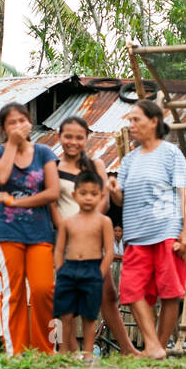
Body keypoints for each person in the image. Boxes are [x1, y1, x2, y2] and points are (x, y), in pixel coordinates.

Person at [107, 99, 186, 359]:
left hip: (167, 230)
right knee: (131, 290)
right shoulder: (130, 159)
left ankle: (159, 347)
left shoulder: (171, 153)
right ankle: (153, 344)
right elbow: (121, 200)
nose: (131, 125)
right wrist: (114, 193)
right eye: (130, 120)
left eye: (136, 120)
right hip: (135, 235)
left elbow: (185, 193)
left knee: (169, 291)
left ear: (154, 122)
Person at [52, 115, 135, 356]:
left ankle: (127, 348)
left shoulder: (96, 165)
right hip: (65, 240)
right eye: (68, 136)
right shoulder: (54, 168)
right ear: (60, 137)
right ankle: (69, 350)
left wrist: (88, 225)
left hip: (92, 240)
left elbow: (105, 199)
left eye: (79, 137)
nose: (73, 142)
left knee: (107, 293)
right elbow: (53, 206)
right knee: (67, 299)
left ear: (87, 138)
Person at [0, 102, 60, 355]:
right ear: (3, 128)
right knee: (13, 292)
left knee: (43, 290)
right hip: (7, 233)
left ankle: (45, 350)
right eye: (11, 122)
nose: (18, 126)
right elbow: (0, 178)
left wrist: (18, 201)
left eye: (22, 120)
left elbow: (52, 192)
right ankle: (15, 353)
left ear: (29, 122)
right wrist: (12, 146)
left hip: (40, 233)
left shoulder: (45, 153)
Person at [53, 169, 114, 361]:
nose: (88, 198)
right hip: (69, 269)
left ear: (101, 196)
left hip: (92, 269)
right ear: (74, 195)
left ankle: (87, 354)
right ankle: (63, 351)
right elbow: (59, 249)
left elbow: (109, 252)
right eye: (83, 193)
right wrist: (61, 270)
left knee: (89, 314)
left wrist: (99, 274)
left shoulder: (104, 221)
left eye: (94, 194)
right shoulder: (67, 222)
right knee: (65, 313)